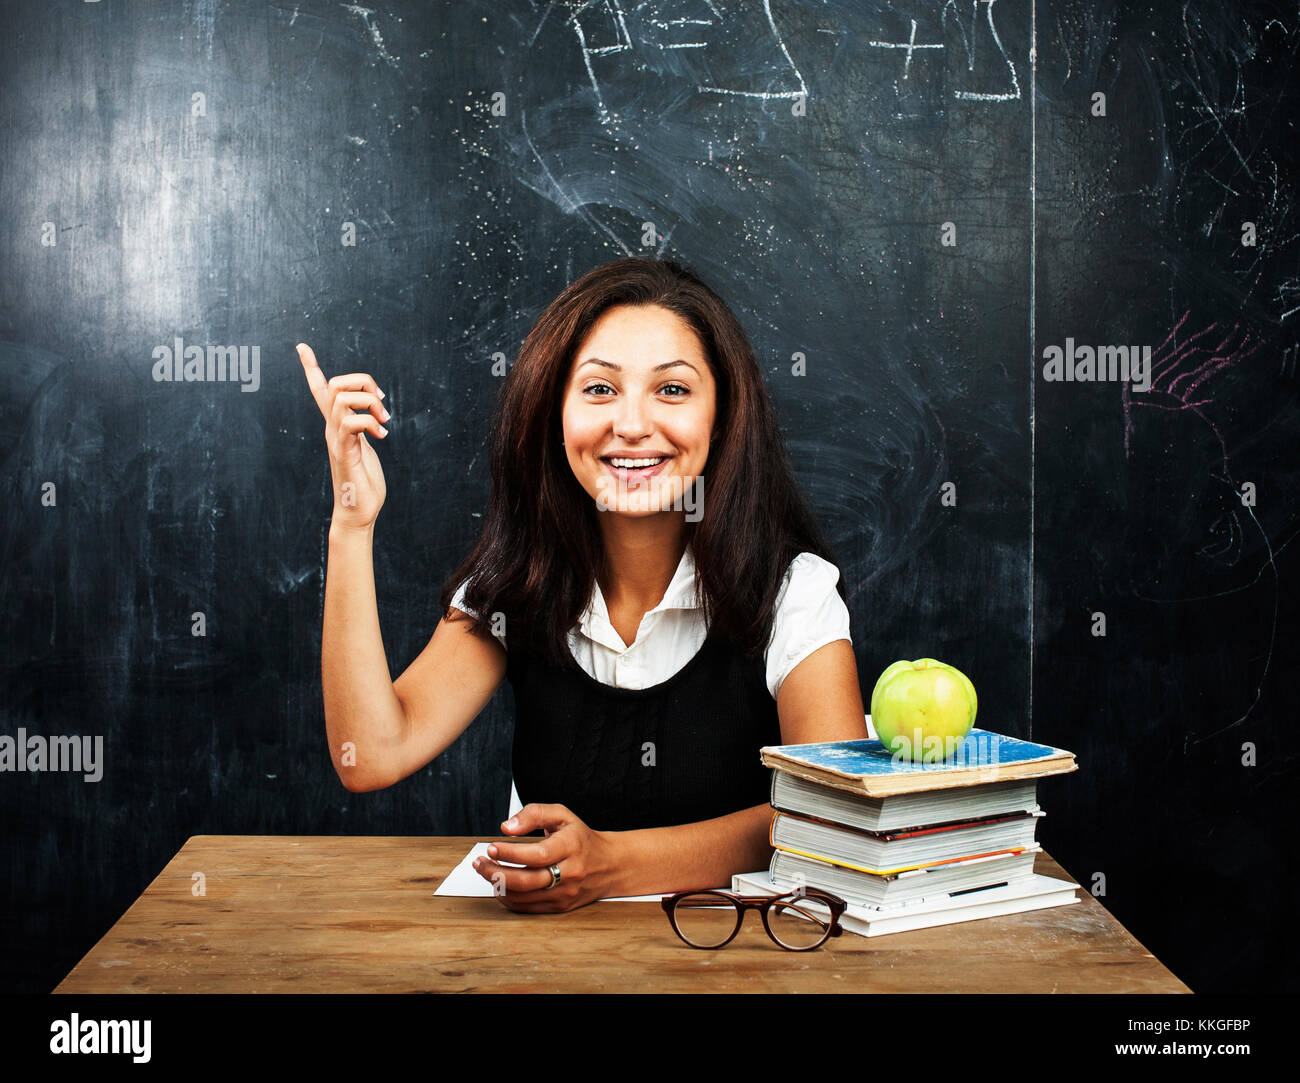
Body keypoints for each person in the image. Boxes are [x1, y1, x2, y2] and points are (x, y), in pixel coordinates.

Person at [298, 256, 867, 914]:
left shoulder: (793, 592)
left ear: (722, 416)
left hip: (738, 963)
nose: (630, 425)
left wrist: (616, 864)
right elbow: (368, 754)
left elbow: (834, 819)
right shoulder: (514, 584)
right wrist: (351, 522)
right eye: (599, 390)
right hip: (551, 968)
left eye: (672, 390)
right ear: (553, 411)